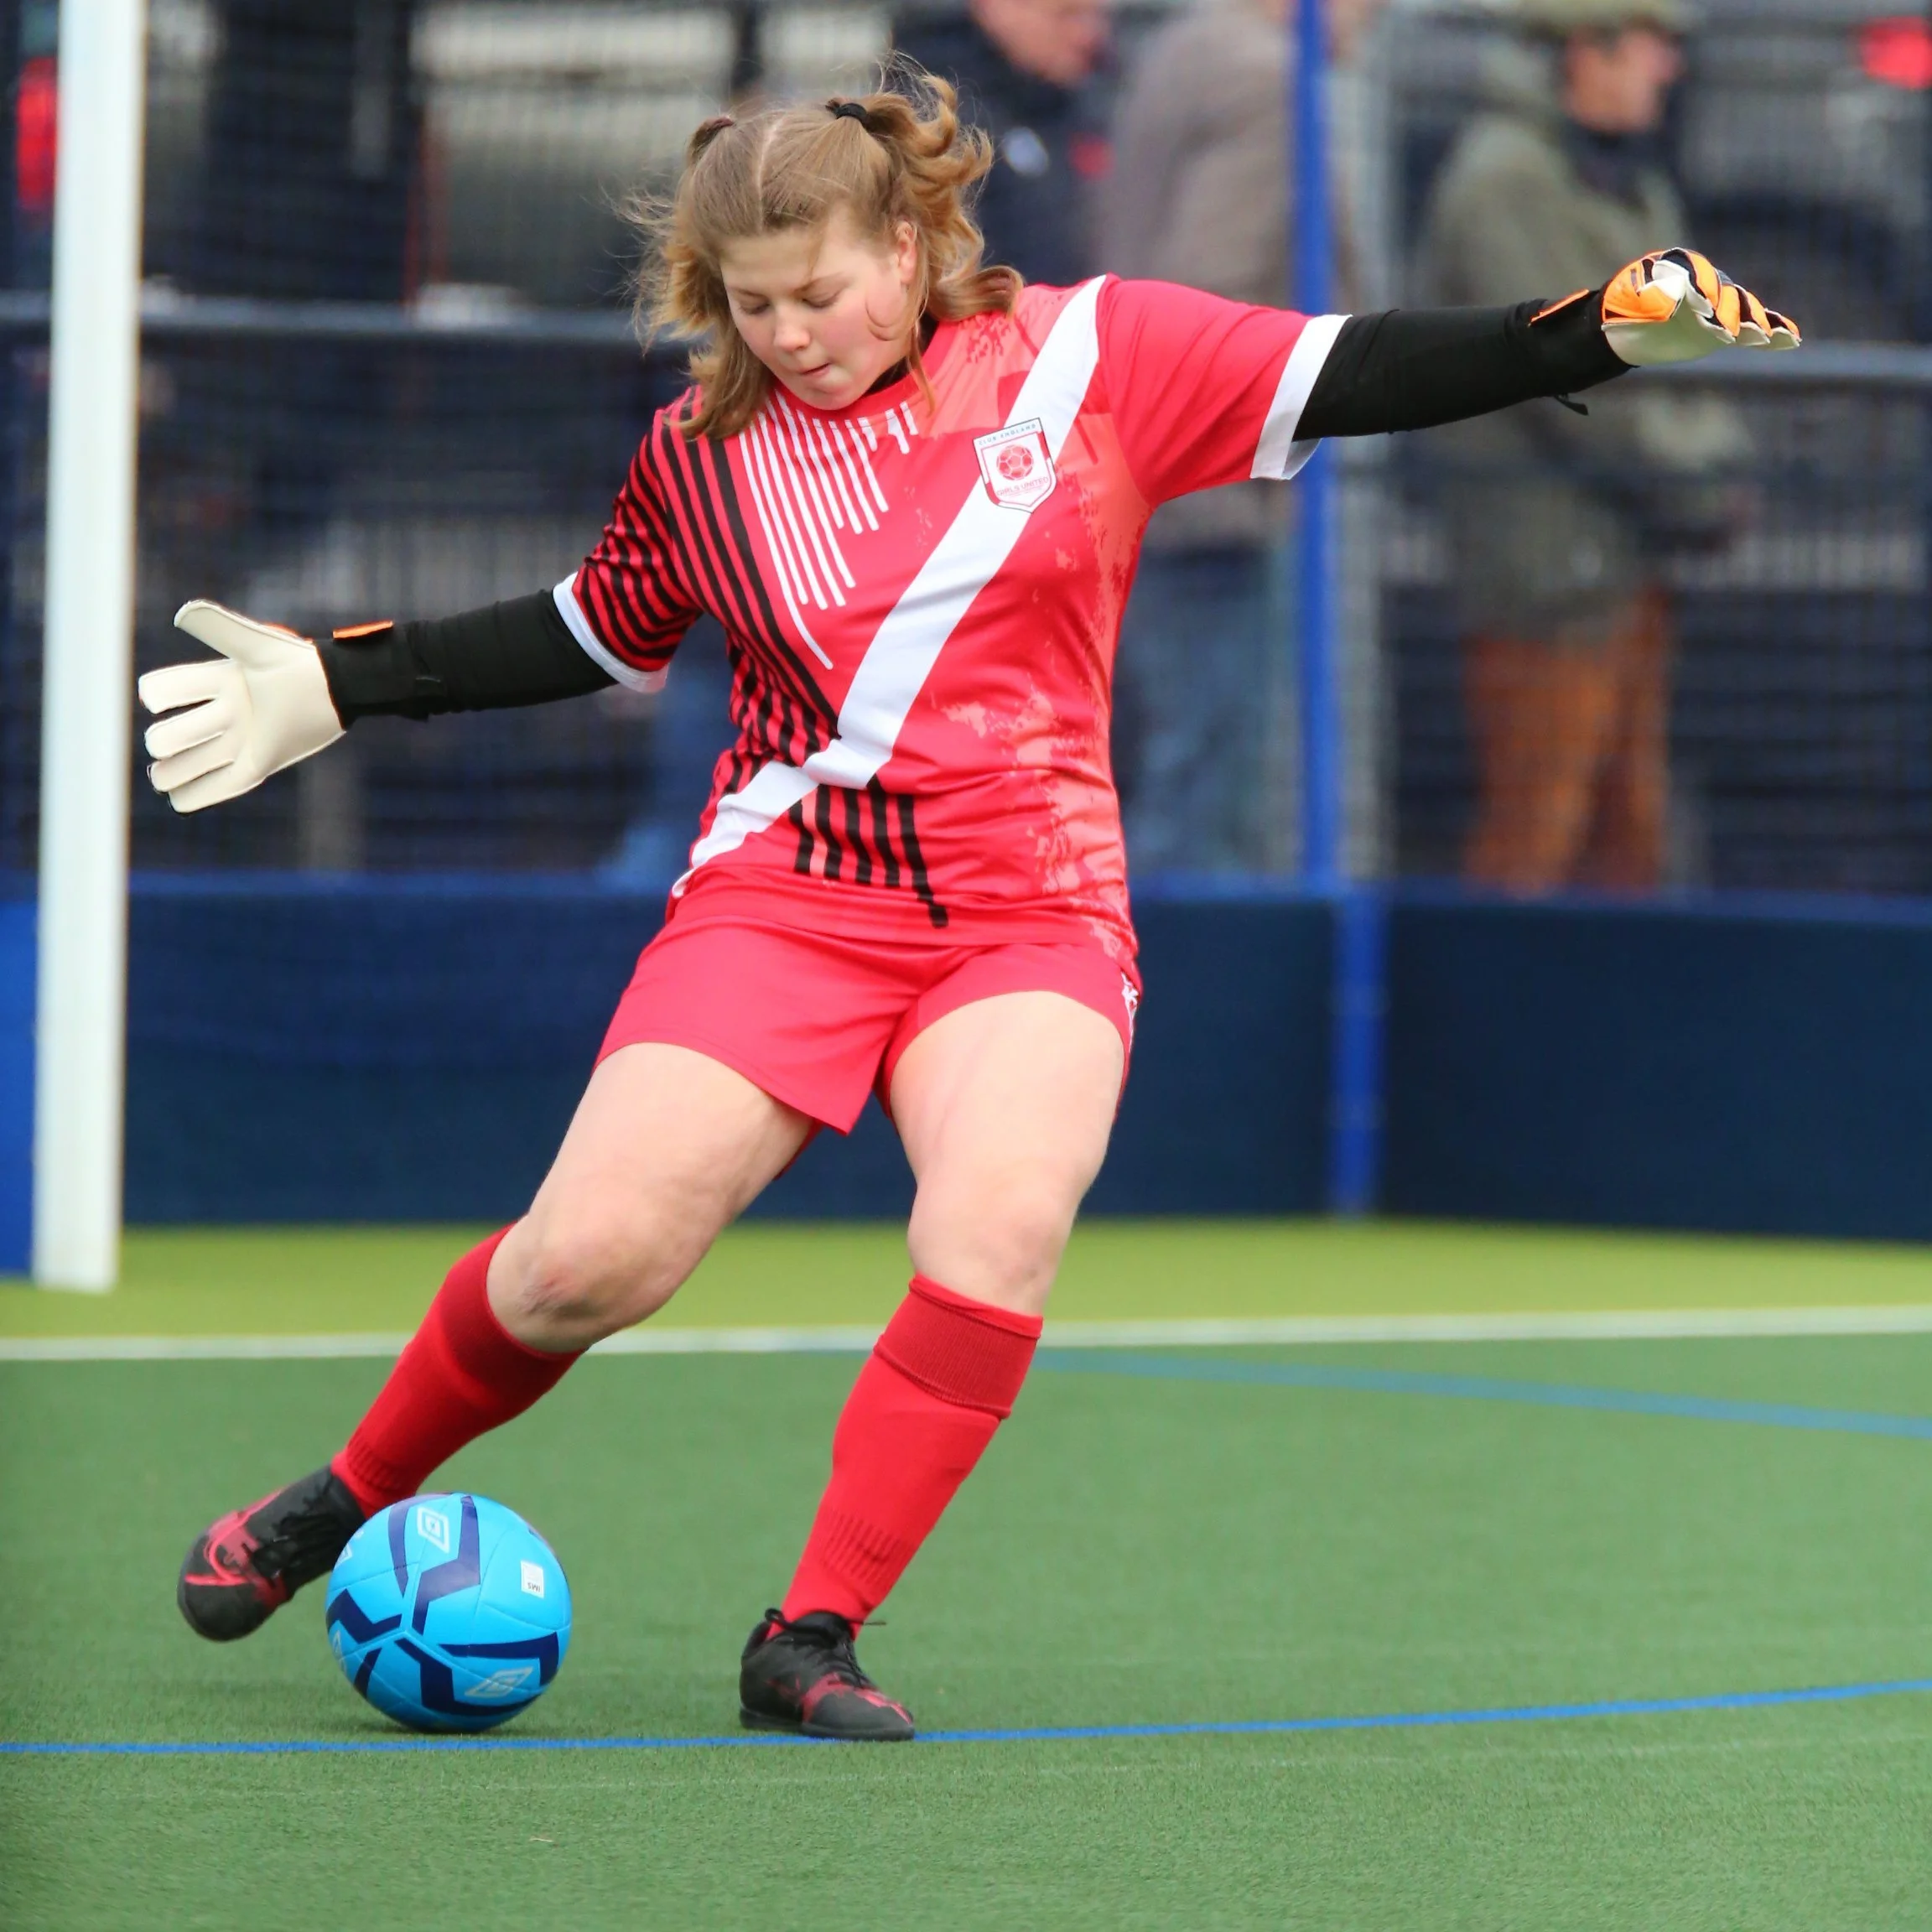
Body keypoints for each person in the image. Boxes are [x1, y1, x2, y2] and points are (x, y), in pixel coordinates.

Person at [140, 76, 1794, 1742]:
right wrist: (352, 684)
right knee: (587, 1262)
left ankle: (809, 1637)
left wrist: (1590, 332)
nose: (790, 332)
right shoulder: (704, 457)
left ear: (916, 245)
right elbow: (595, 625)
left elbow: (1361, 367)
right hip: (785, 899)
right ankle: (338, 1501)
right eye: (753, 303)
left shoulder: (1098, 358)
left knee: (996, 1226)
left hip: (1033, 908)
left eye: (824, 291)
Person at [1417, 0, 1749, 891]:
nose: (1666, 70)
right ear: (1582, 54)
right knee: (1537, 830)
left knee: (1627, 834)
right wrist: (1699, 487)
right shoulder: (1507, 181)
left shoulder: (1620, 176)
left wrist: (1708, 470)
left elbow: (1695, 347)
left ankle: (1614, 1025)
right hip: (1546, 573)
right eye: (1650, 47)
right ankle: (1501, 1025)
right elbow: (1576, 374)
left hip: (1624, 558)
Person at [1103, 0, 1383, 870]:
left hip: (1143, 473)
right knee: (1206, 786)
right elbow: (1209, 295)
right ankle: (1179, 993)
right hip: (1211, 490)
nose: (1370, 25)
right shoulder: (1267, 84)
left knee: (1168, 765)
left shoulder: (1182, 51)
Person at [893, 0, 1112, 285]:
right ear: (1001, 8)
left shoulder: (1074, 102)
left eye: (1096, 16)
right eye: (1067, 15)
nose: (1090, 36)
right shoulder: (935, 118)